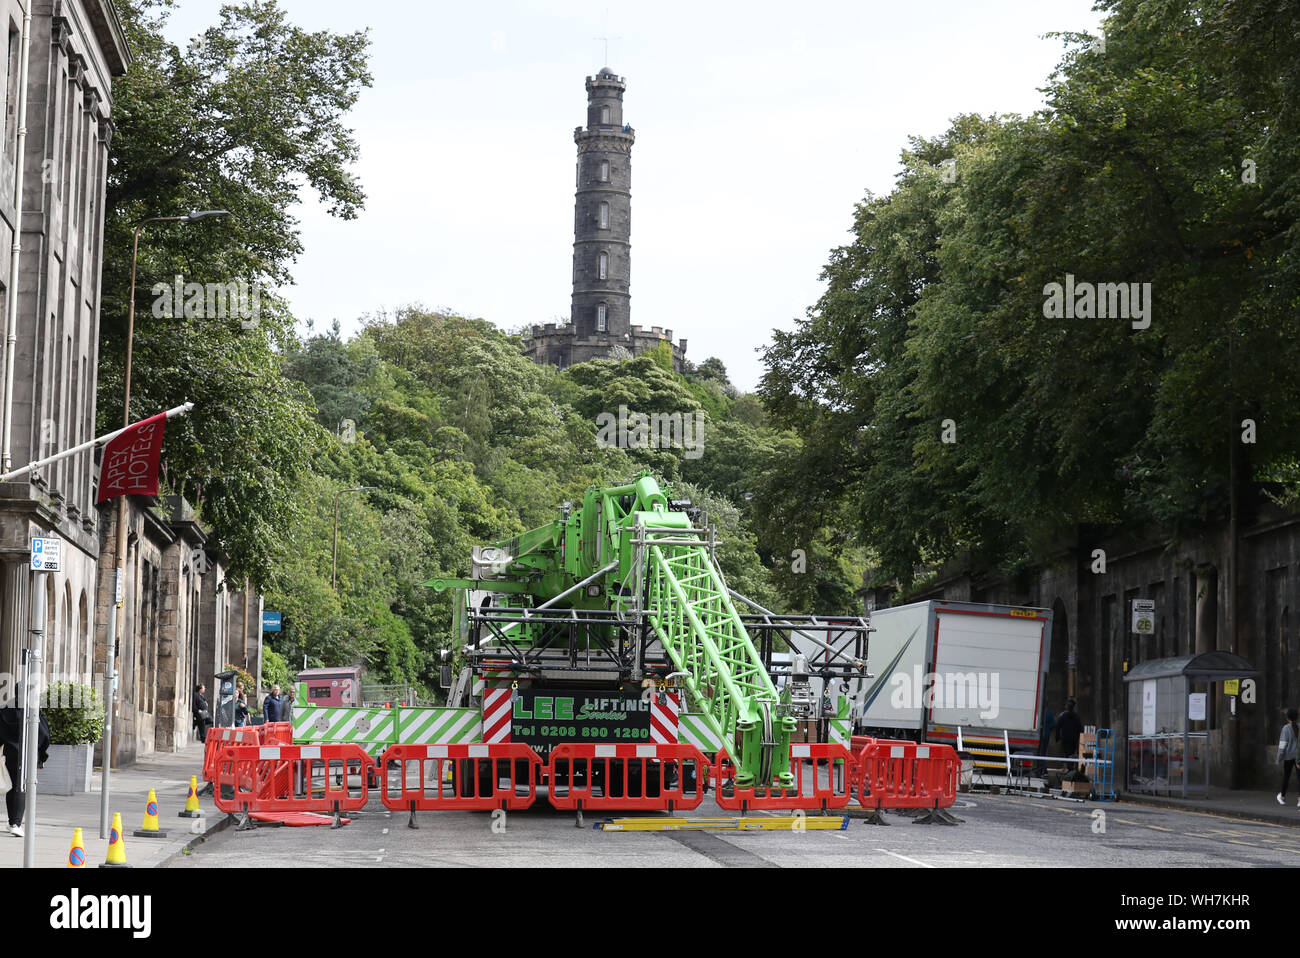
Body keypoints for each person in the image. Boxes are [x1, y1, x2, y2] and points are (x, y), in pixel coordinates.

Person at [0, 707, 51, 838]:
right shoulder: (31, 708)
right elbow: (43, 733)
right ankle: (15, 823)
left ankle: (14, 823)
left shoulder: (4, 708)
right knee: (19, 786)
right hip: (25, 752)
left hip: (6, 751)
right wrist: (41, 756)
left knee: (9, 783)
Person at [1277, 708, 1299, 806]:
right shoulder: (1299, 727)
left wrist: (1279, 758)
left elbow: (1282, 745)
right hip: (1298, 757)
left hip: (1288, 756)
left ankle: (1282, 797)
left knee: (1286, 776)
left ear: (1287, 718)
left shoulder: (1286, 728)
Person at [1036, 702, 1057, 777]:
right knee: (1043, 753)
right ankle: (1042, 770)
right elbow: (1054, 724)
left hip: (1039, 735)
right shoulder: (1050, 712)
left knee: (1039, 753)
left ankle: (1041, 769)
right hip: (1046, 735)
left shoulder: (1038, 711)